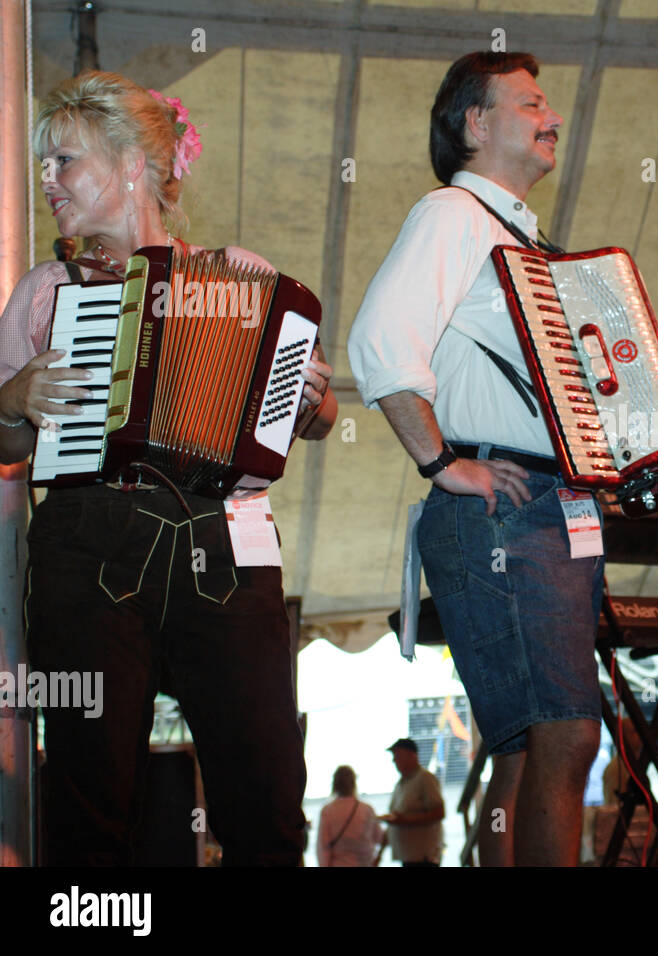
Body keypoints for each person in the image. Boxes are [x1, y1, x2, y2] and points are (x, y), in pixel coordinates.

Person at [0, 71, 335, 866]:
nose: (48, 182)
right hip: (88, 541)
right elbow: (10, 447)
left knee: (265, 795)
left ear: (128, 166)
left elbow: (315, 421)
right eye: (44, 165)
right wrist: (14, 397)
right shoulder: (47, 291)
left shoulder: (238, 272)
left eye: (64, 162)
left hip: (225, 539)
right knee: (89, 795)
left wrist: (311, 400)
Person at [348, 51, 603, 867]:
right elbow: (381, 345)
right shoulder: (454, 214)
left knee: (530, 742)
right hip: (502, 500)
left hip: (541, 498)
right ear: (476, 124)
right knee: (563, 732)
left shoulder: (513, 234)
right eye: (531, 103)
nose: (553, 116)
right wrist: (444, 465)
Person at [379, 739, 445, 867]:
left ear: (411, 755)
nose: (394, 761)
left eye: (397, 756)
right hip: (408, 855)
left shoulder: (425, 778)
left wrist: (405, 820)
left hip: (423, 857)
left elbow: (439, 813)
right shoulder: (401, 784)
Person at [317, 765, 384, 867]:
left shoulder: (327, 810)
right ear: (354, 782)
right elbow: (379, 838)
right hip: (365, 863)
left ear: (334, 784)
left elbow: (323, 846)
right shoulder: (367, 809)